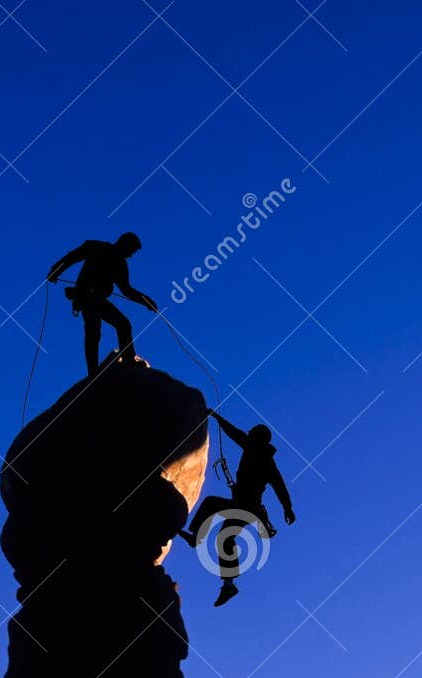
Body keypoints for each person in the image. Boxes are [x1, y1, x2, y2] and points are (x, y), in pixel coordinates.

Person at [180, 411, 296, 607]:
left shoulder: (263, 458)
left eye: (251, 434)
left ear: (258, 438)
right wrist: (217, 417)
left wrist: (288, 508)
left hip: (249, 508)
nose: (247, 435)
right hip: (241, 506)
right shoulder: (253, 449)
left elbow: (280, 486)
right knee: (214, 512)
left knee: (223, 532)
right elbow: (235, 433)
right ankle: (222, 575)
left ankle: (228, 583)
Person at [47, 233, 158, 375]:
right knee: (121, 325)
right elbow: (72, 257)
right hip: (88, 297)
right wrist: (56, 270)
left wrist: (146, 301)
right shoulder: (98, 248)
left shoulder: (118, 262)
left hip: (89, 299)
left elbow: (126, 290)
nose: (131, 255)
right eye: (131, 251)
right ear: (125, 244)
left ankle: (94, 372)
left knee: (94, 333)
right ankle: (126, 362)